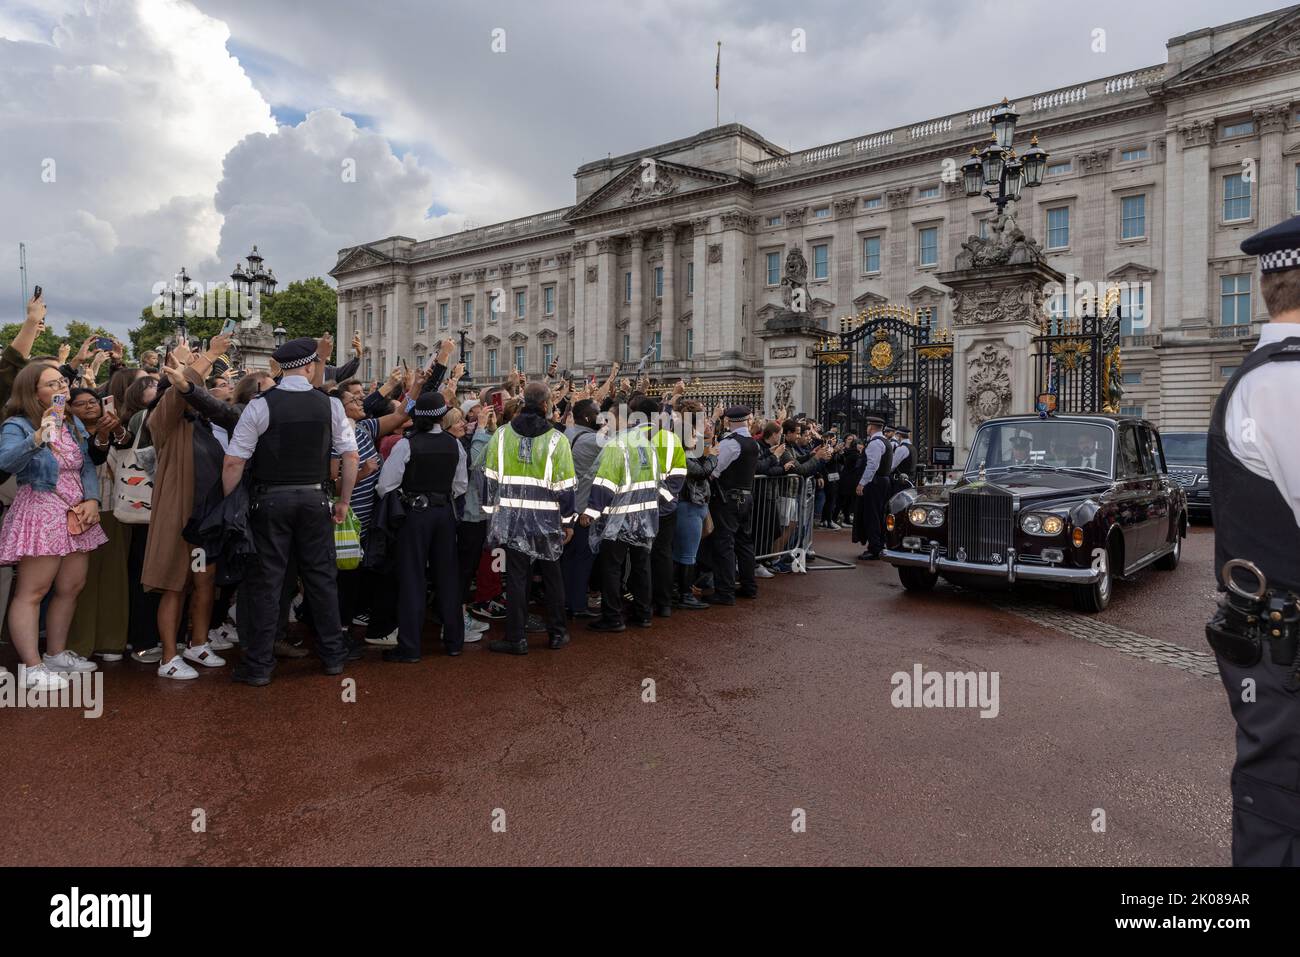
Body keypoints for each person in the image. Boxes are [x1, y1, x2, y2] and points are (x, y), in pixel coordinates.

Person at [1204, 213, 1300, 865]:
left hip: (1269, 638)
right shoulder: (1284, 380)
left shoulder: (1266, 372)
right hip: (1282, 643)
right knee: (1279, 813)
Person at [221, 337, 361, 686]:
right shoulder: (329, 405)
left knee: (268, 583)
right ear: (312, 366)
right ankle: (332, 656)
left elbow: (234, 460)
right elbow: (351, 456)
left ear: (282, 368)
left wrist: (231, 504)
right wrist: (343, 500)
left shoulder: (261, 404)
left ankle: (259, 666)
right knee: (321, 578)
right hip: (315, 499)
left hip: (270, 500)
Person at [0, 362, 107, 689]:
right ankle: (32, 667)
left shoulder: (73, 423)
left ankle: (56, 654)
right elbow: (5, 463)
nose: (62, 388)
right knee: (33, 591)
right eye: (52, 384)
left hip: (77, 511)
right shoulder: (17, 424)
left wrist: (92, 499)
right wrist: (36, 437)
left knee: (71, 586)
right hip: (42, 510)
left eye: (62, 382)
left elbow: (86, 465)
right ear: (34, 392)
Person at [141, 336, 232, 680]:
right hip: (178, 518)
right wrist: (208, 355)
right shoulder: (165, 422)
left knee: (204, 582)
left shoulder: (210, 424)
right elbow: (179, 391)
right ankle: (168, 657)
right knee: (174, 584)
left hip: (206, 520)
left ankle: (197, 642)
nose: (202, 394)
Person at [482, 381, 576, 655]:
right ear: (546, 405)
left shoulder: (500, 435)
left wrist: (491, 518)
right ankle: (557, 633)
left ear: (524, 402)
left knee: (516, 578)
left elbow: (489, 481)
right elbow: (566, 486)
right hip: (547, 519)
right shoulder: (558, 439)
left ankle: (516, 637)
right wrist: (568, 520)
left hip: (511, 518)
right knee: (552, 577)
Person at [375, 392, 467, 660]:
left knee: (412, 578)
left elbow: (385, 485)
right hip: (444, 513)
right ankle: (454, 642)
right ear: (442, 415)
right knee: (448, 578)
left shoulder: (407, 444)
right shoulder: (454, 445)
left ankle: (410, 646)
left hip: (415, 514)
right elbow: (460, 486)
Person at [586, 397, 663, 631]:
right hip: (644, 515)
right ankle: (643, 613)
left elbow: (604, 484)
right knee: (641, 565)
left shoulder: (616, 445)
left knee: (612, 567)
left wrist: (590, 512)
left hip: (618, 518)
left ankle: (613, 616)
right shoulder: (646, 443)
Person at [707, 405, 759, 605]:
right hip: (746, 497)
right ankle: (749, 586)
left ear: (728, 421)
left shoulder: (731, 443)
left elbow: (714, 470)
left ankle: (725, 591)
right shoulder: (752, 443)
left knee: (724, 544)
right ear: (747, 420)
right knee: (744, 543)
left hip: (728, 499)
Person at [646, 394, 687, 618]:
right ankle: (664, 603)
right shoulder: (672, 440)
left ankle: (645, 600)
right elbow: (679, 474)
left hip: (643, 507)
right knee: (663, 554)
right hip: (667, 506)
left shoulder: (638, 439)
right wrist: (665, 497)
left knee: (644, 555)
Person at [561, 397, 602, 620]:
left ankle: (567, 600)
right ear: (587, 417)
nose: (602, 416)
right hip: (583, 506)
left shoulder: (568, 433)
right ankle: (576, 604)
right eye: (597, 412)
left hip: (567, 504)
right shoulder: (592, 440)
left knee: (568, 557)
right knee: (582, 558)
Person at [673, 400, 714, 610]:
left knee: (686, 552)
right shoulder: (681, 447)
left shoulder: (691, 445)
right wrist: (712, 459)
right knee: (687, 552)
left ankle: (681, 589)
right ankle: (684, 594)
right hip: (688, 502)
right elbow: (699, 472)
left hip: (696, 502)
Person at [852, 416, 892, 560]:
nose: (867, 428)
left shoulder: (875, 443)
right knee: (879, 513)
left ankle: (875, 547)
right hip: (883, 481)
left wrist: (862, 483)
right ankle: (880, 543)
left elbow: (872, 466)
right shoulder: (886, 442)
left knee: (872, 515)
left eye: (868, 425)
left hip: (874, 483)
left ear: (871, 427)